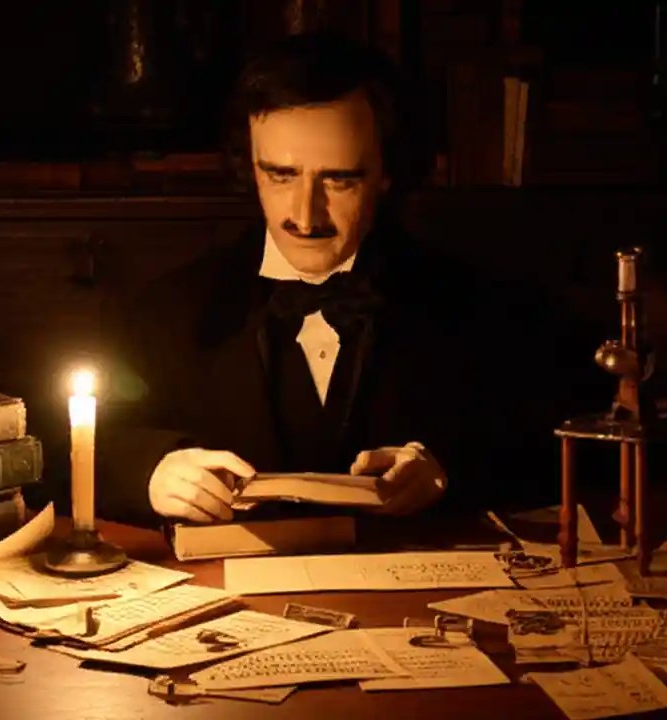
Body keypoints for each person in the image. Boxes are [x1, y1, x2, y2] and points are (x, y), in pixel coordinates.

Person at [98, 32, 522, 526]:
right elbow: (83, 442)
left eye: (340, 179)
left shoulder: (476, 306)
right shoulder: (167, 309)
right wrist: (151, 472)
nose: (305, 214)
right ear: (248, 165)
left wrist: (447, 472)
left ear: (387, 171)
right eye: (280, 175)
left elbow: (549, 446)